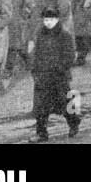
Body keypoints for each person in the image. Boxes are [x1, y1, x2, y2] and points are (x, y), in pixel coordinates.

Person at [29, 7, 78, 142]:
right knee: (40, 106)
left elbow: (70, 55)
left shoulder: (64, 35)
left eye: (51, 19)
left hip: (59, 76)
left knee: (66, 103)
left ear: (57, 20)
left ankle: (74, 123)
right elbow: (35, 54)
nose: (48, 22)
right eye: (46, 20)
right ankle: (41, 133)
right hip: (43, 76)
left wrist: (60, 67)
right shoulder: (40, 35)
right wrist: (35, 70)